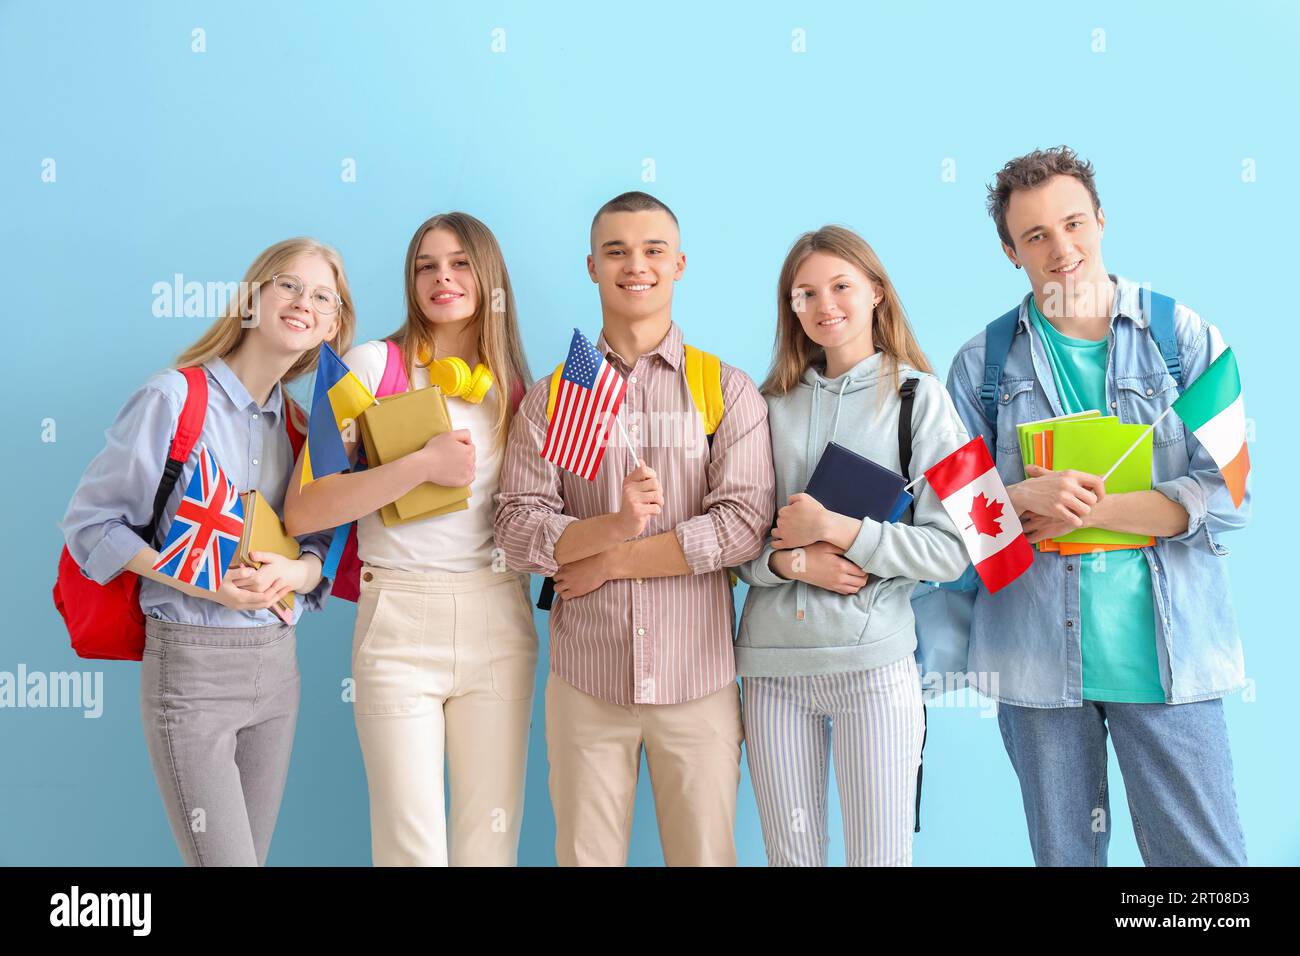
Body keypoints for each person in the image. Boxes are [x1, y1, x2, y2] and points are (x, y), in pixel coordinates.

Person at [946, 146, 1251, 866]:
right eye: (1036, 236)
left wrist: (1099, 510)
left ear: (1102, 219)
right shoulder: (981, 366)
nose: (1062, 250)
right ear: (1009, 250)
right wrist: (1014, 498)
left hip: (1169, 662)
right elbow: (949, 518)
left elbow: (1233, 492)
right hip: (1036, 666)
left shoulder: (1184, 340)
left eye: (1073, 223)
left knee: (1205, 873)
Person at [494, 191, 775, 866]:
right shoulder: (557, 396)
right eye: (616, 251)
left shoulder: (725, 391)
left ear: (679, 264)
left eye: (652, 250)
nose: (635, 265)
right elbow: (516, 525)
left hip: (698, 683)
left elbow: (741, 528)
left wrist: (614, 559)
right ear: (592, 266)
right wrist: (611, 525)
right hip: (586, 682)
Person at [62, 237, 348, 865]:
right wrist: (204, 582)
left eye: (322, 297)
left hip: (278, 671)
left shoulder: (304, 428)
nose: (304, 302)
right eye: (288, 285)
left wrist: (297, 571)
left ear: (332, 325)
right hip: (192, 668)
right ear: (252, 300)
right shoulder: (173, 399)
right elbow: (91, 524)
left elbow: (320, 545)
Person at [284, 212, 534, 866]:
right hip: (397, 619)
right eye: (426, 265)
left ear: (488, 277)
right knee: (409, 844)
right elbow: (305, 508)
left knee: (491, 842)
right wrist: (418, 466)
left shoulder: (516, 390)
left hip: (498, 619)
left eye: (458, 264)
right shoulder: (369, 366)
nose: (442, 278)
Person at [734, 225, 969, 866]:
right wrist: (788, 561)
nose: (823, 305)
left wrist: (843, 533)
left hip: (875, 670)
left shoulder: (922, 398)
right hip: (773, 673)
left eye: (840, 286)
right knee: (792, 859)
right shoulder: (762, 406)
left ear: (877, 295)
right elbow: (732, 540)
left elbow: (954, 551)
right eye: (804, 293)